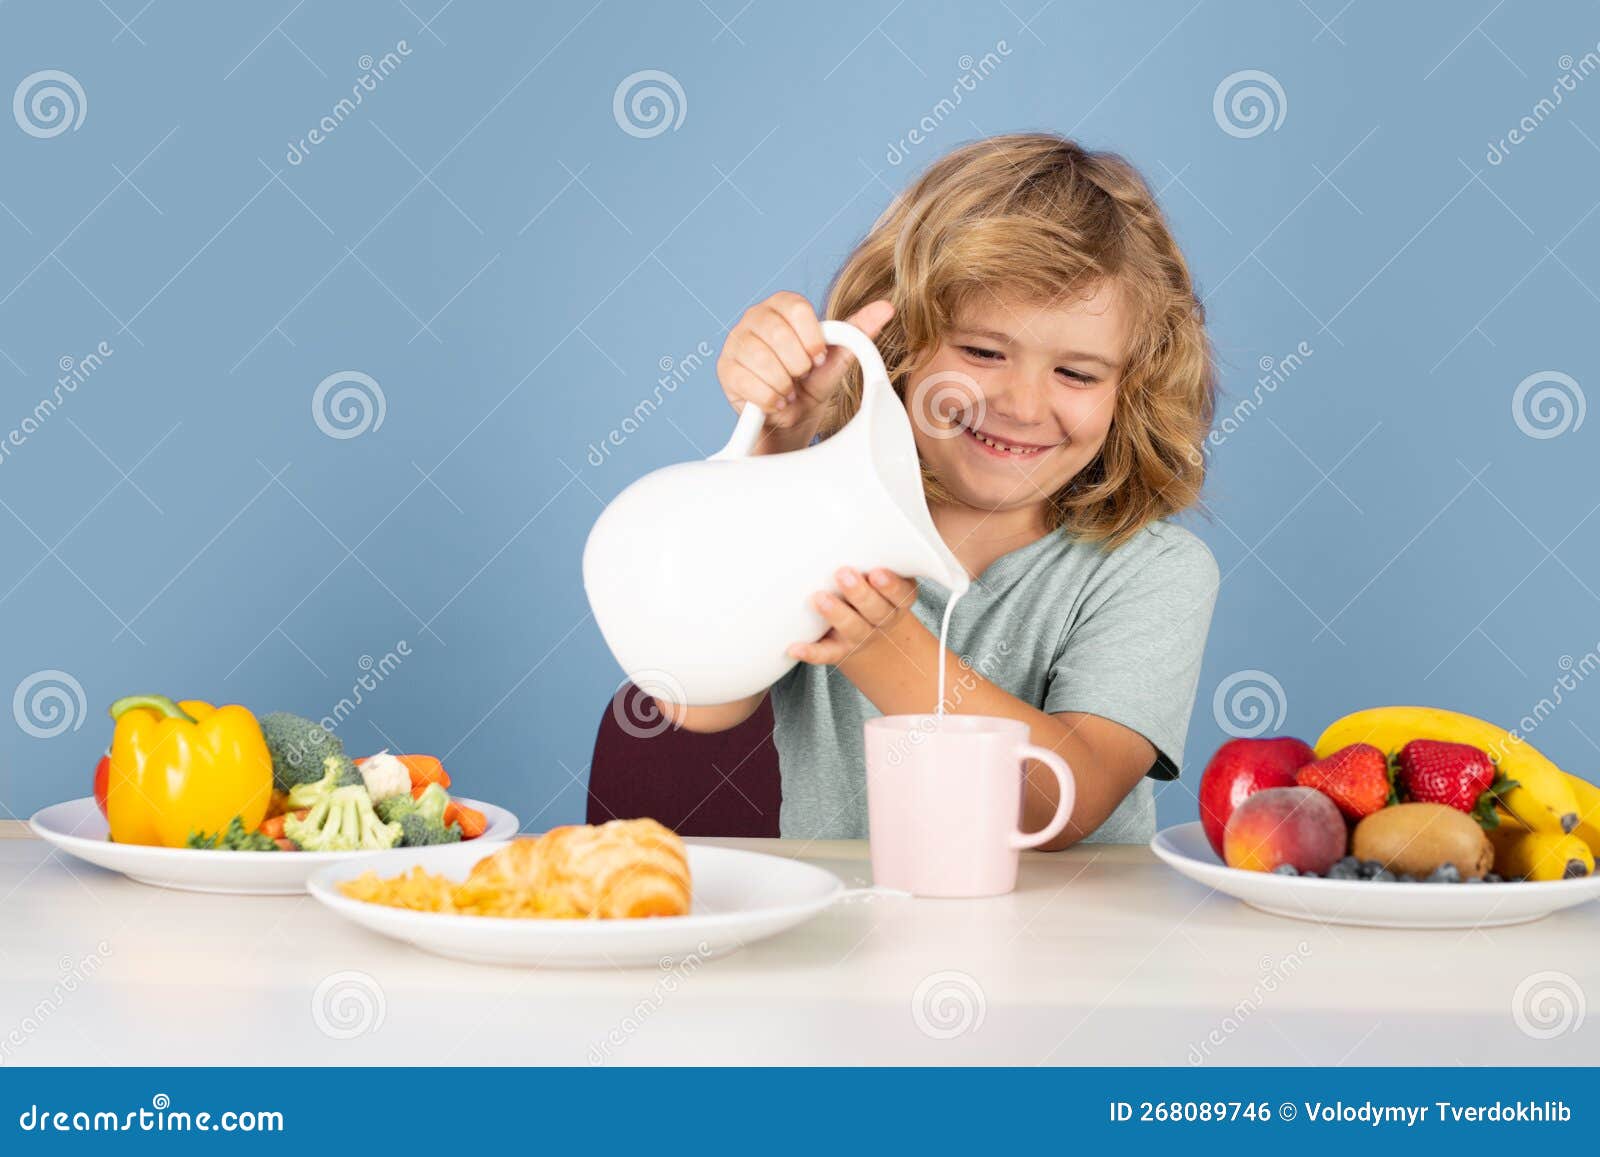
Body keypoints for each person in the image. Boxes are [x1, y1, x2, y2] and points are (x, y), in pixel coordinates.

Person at [666, 133, 1218, 847]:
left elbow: (1067, 803)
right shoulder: (826, 524)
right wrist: (773, 442)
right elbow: (696, 698)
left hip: (1079, 956)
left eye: (1077, 374)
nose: (1021, 403)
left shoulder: (1149, 571)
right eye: (983, 352)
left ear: (1130, 391)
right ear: (899, 346)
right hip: (852, 947)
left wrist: (880, 645)